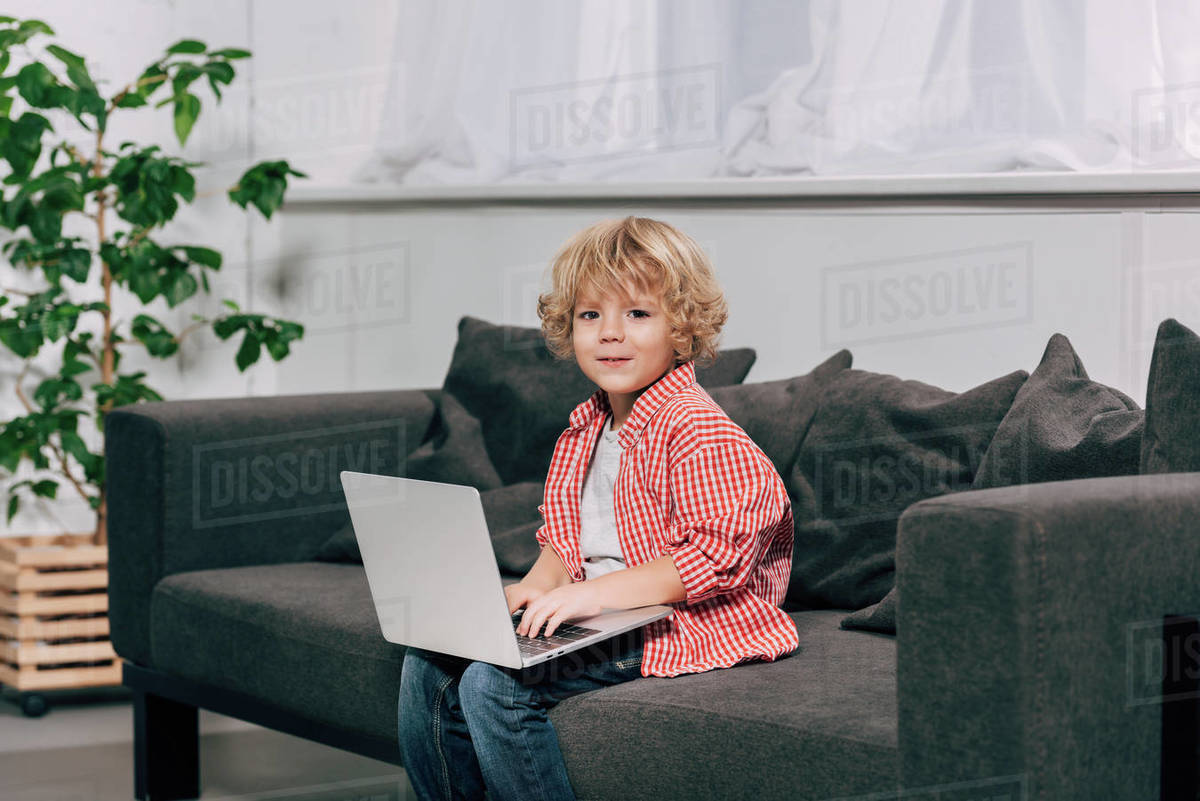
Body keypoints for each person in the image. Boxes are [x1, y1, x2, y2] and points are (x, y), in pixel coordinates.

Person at [397, 216, 798, 801]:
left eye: (637, 314)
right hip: (600, 610)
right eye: (591, 315)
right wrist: (532, 588)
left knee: (495, 685)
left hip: (675, 618)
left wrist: (585, 596)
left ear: (682, 327)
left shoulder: (699, 431)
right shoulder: (585, 428)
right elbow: (565, 539)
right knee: (429, 661)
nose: (610, 333)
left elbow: (711, 560)